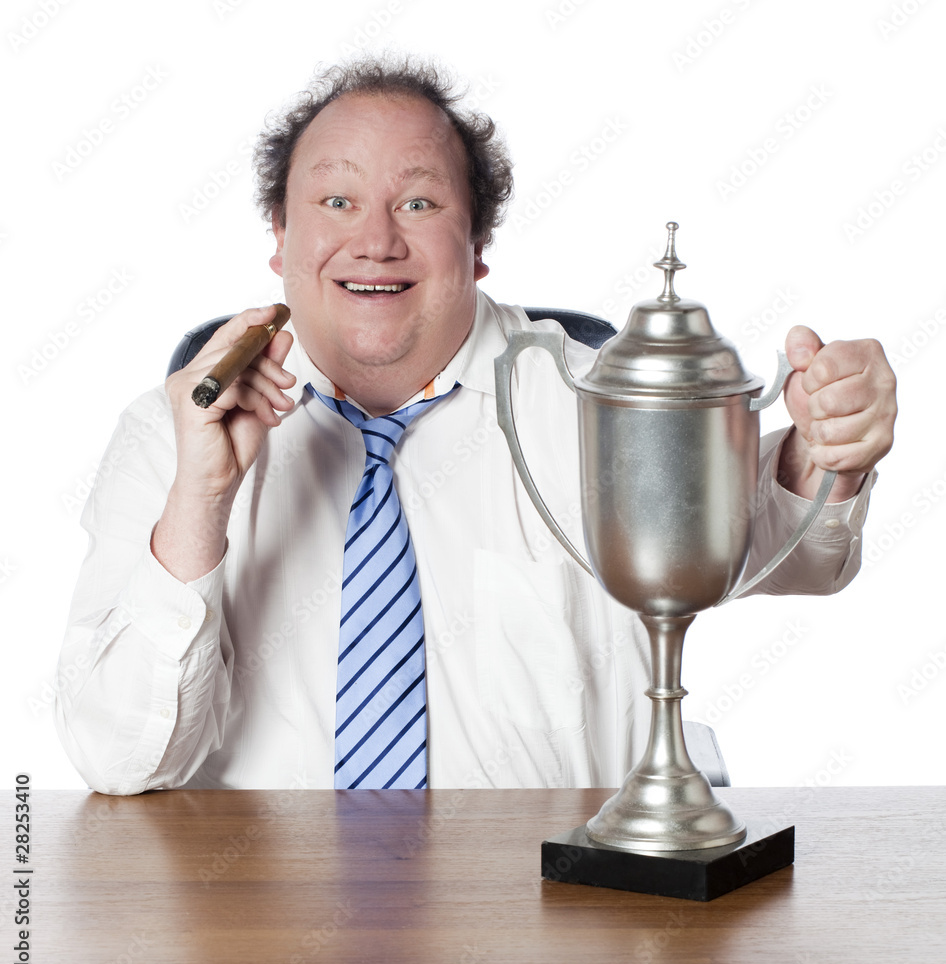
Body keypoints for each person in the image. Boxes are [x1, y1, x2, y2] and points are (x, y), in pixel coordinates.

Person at [55, 57, 897, 794]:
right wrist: (201, 499)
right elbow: (119, 759)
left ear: (479, 240)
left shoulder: (594, 401)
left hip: (551, 933)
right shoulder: (169, 433)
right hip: (259, 937)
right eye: (336, 199)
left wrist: (824, 455)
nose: (375, 240)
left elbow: (784, 554)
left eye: (418, 202)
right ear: (279, 236)